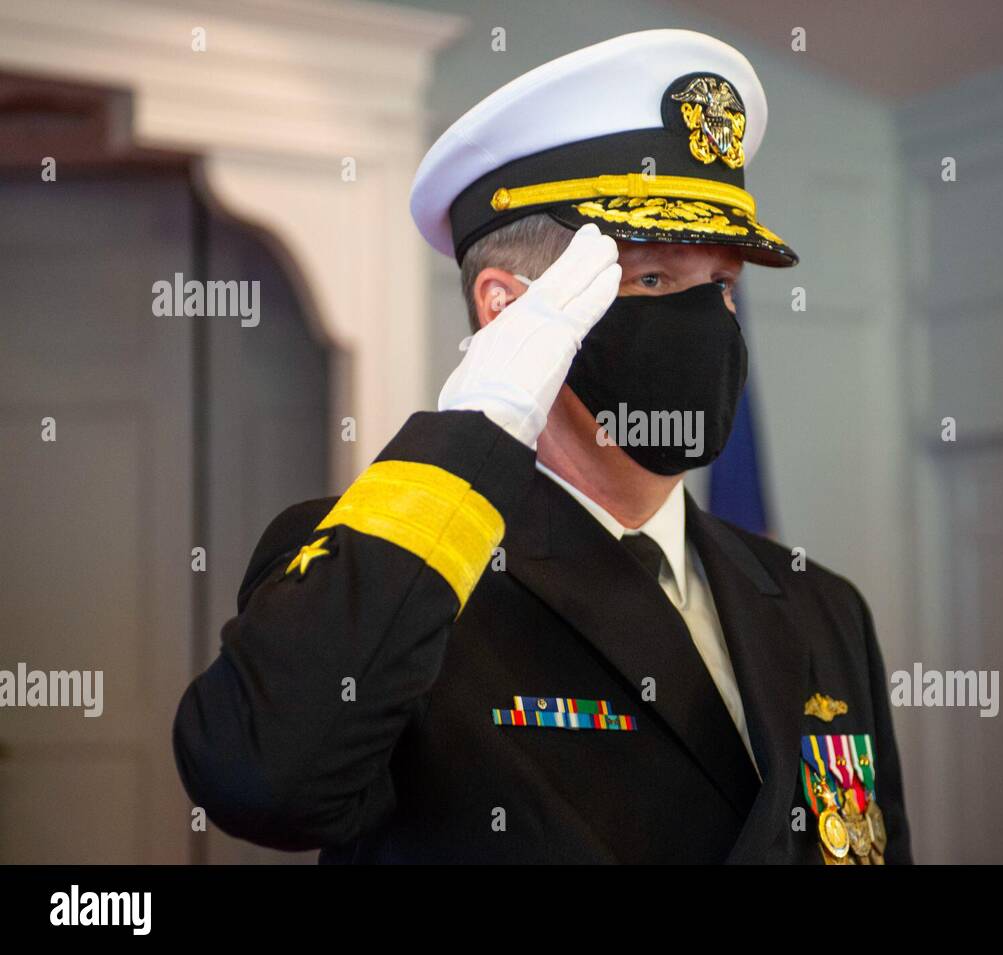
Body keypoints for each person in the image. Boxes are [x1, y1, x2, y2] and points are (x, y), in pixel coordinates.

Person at [173, 28, 911, 865]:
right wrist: (477, 428)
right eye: (655, 279)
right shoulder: (391, 581)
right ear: (506, 307)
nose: (707, 322)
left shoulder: (819, 605)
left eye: (722, 285)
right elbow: (261, 777)